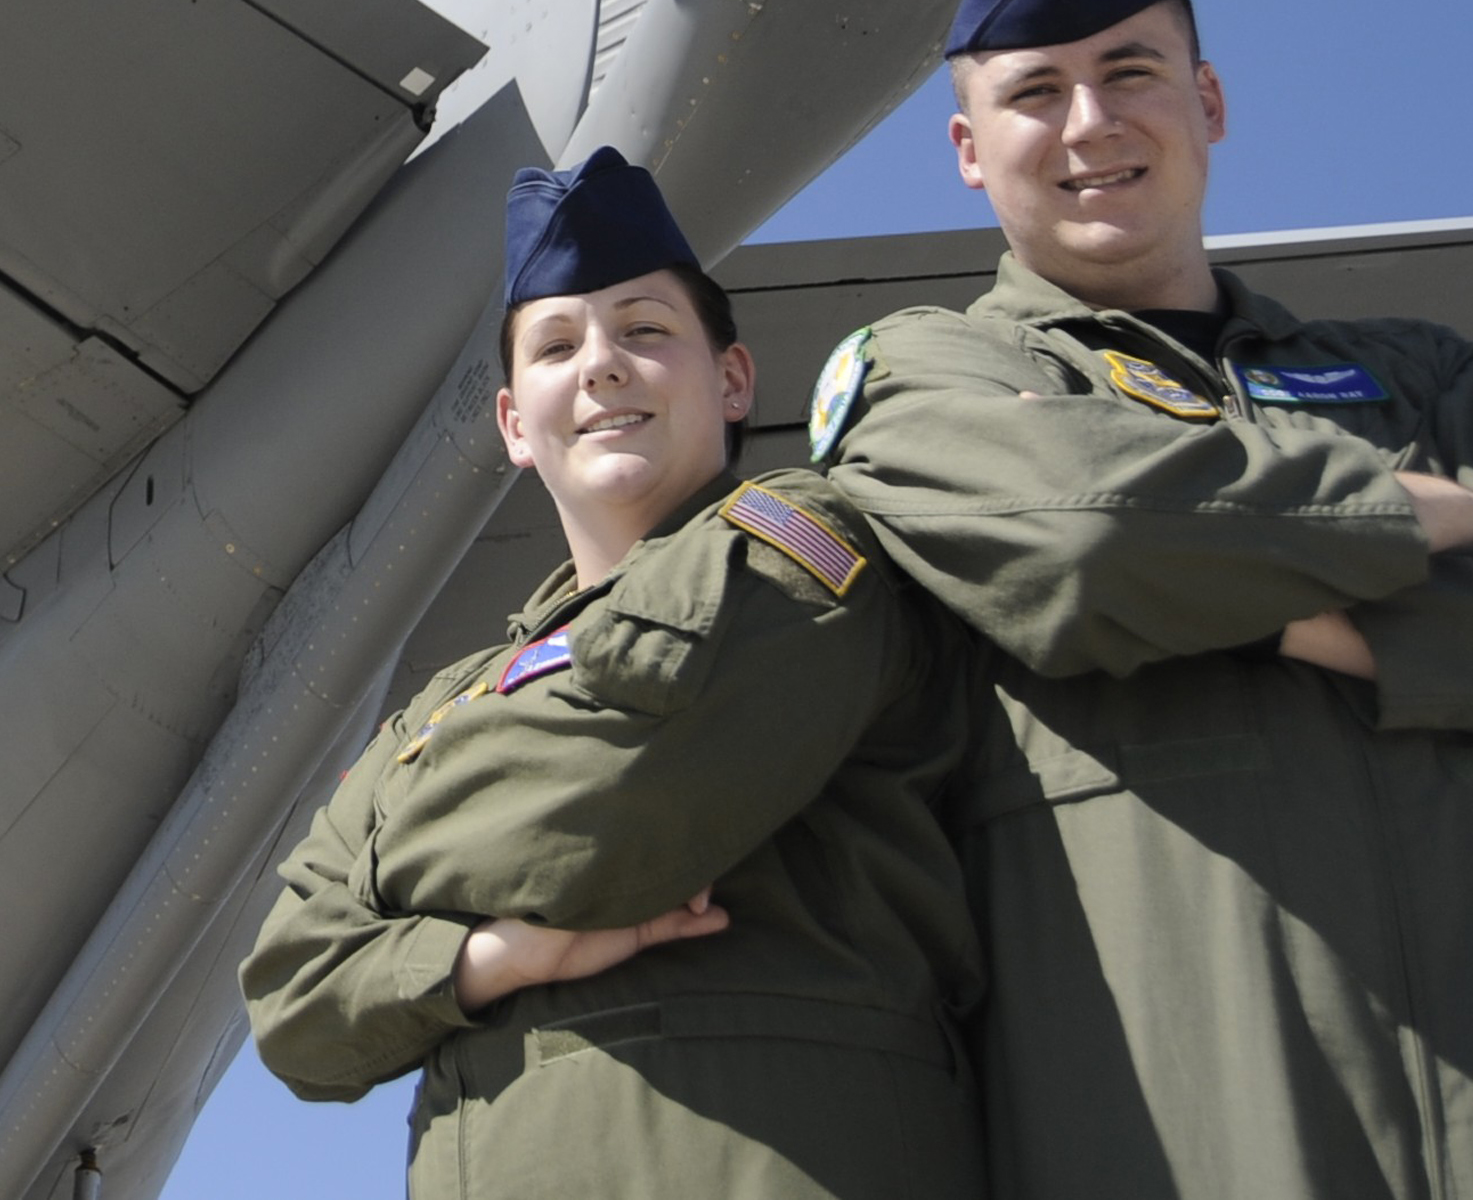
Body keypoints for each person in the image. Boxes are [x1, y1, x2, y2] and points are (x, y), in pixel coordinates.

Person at [813, 0, 1473, 1200]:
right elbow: (1081, 540)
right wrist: (1404, 519)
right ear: (966, 150)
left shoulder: (1438, 378)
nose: (1090, 123)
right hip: (1183, 1129)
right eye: (1034, 93)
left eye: (1129, 74)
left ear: (1206, 102)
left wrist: (1307, 612)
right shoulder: (932, 379)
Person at [242, 148, 985, 1199]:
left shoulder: (801, 546)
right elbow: (292, 1011)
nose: (600, 365)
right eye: (556, 346)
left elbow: (622, 811)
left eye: (644, 330)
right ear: (512, 425)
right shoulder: (445, 698)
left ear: (731, 378)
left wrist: (396, 874)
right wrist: (499, 956)